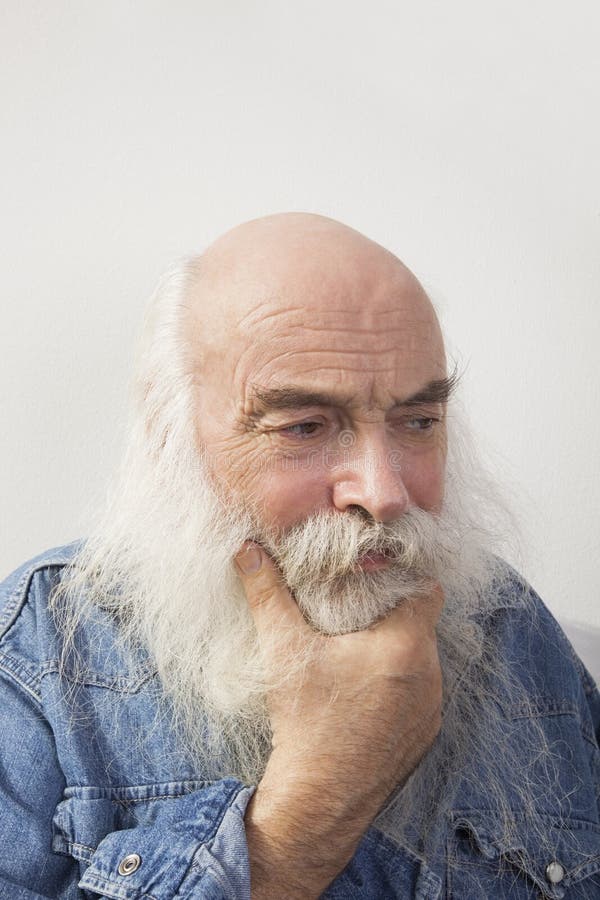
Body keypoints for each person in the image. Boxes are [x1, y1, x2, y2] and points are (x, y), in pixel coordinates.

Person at [0, 213, 598, 899]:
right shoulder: (34, 662)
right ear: (171, 438)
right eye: (305, 426)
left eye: (418, 422)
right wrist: (308, 813)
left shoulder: (508, 625)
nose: (384, 492)